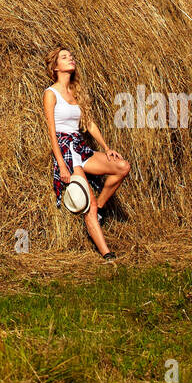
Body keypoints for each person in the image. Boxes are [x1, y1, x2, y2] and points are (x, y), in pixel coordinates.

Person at [43, 45, 130, 260]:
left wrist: (107, 148)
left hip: (81, 147)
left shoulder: (76, 91)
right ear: (55, 67)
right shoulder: (50, 94)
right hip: (66, 151)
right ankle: (107, 253)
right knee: (87, 201)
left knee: (122, 167)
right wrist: (61, 164)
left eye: (71, 56)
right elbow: (52, 133)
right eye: (65, 57)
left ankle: (100, 208)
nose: (70, 59)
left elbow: (88, 123)